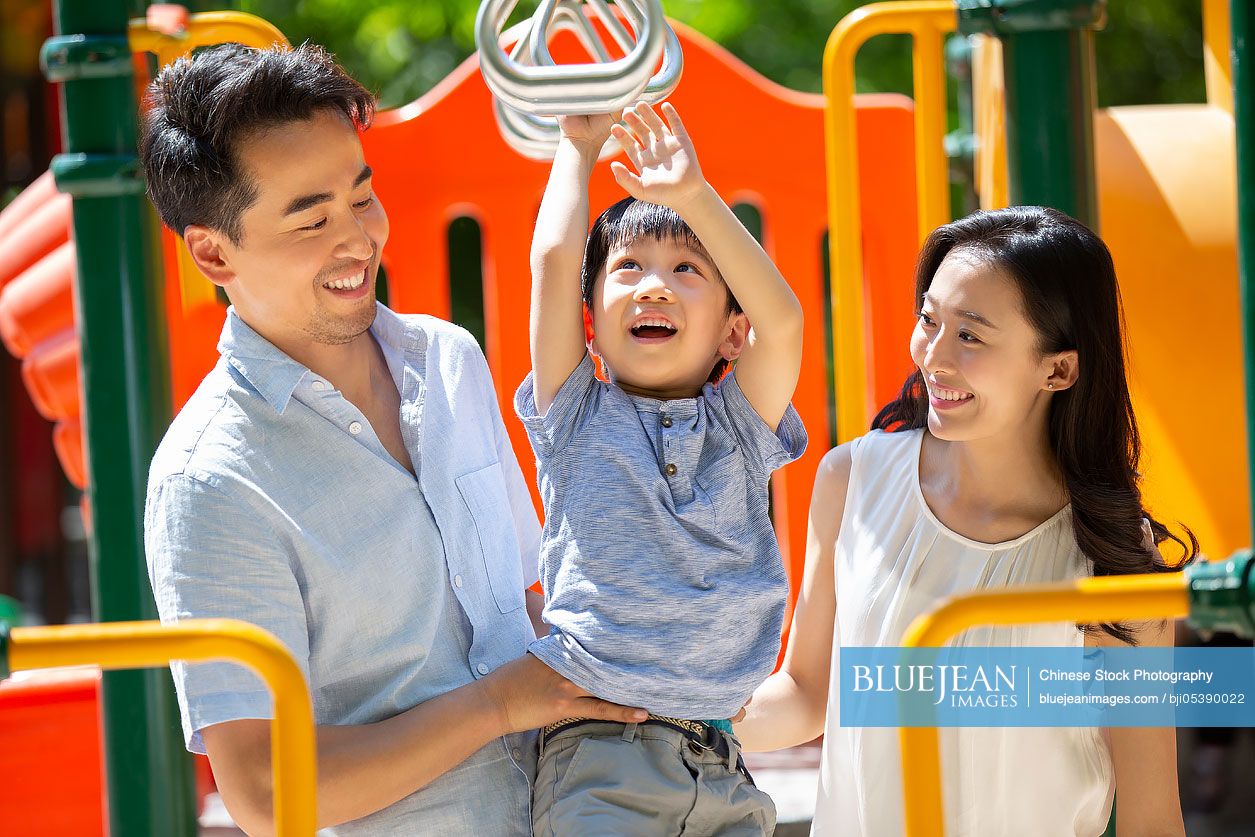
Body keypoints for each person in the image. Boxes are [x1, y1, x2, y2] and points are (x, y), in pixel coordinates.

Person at [140, 42, 645, 836]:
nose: (358, 238)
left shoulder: (449, 359)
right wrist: (497, 705)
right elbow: (266, 792)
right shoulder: (209, 479)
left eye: (362, 198)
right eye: (312, 218)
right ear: (211, 251)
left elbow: (528, 604)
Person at [735, 206, 1196, 836]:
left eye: (971, 335)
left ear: (1057, 369)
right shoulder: (853, 480)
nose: (934, 356)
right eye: (929, 320)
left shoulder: (1110, 555)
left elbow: (1150, 818)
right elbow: (806, 694)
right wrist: (666, 705)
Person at [515, 100, 807, 835]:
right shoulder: (577, 413)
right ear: (590, 321)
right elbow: (553, 263)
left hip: (722, 758)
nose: (653, 285)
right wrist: (575, 151)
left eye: (685, 270)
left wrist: (691, 197)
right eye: (628, 269)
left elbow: (786, 321)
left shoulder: (740, 428)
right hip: (600, 758)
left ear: (731, 333)